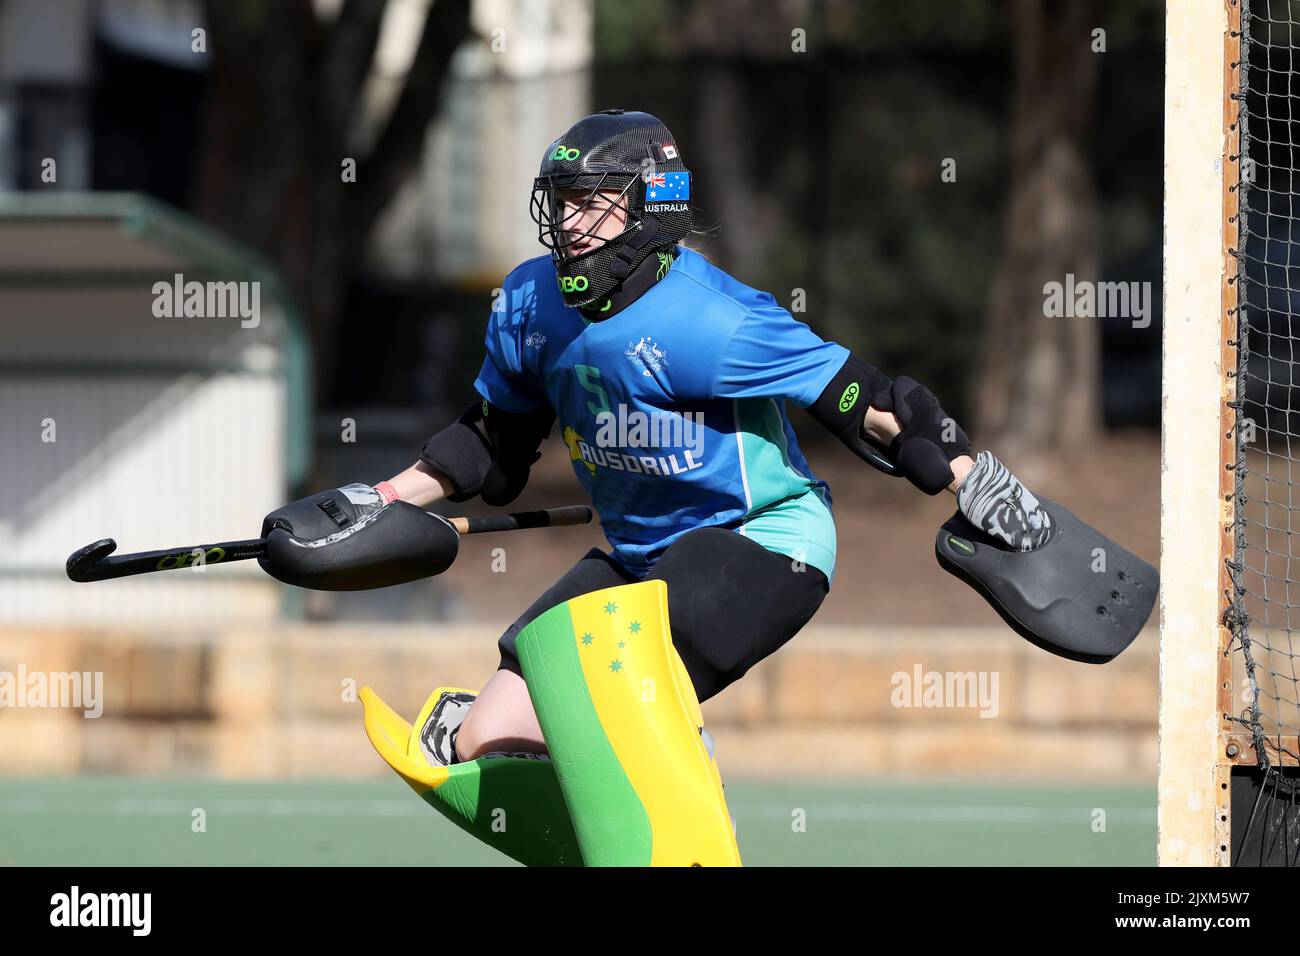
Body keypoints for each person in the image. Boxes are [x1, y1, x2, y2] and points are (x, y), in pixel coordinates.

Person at [265, 110, 1069, 864]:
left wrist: (975, 482)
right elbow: (491, 444)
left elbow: (871, 405)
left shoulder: (713, 321)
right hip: (639, 558)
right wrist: (383, 500)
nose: (568, 224)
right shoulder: (529, 303)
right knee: (484, 740)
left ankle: (676, 793)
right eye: (560, 204)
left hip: (766, 541)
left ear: (651, 207)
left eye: (590, 204)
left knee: (622, 669)